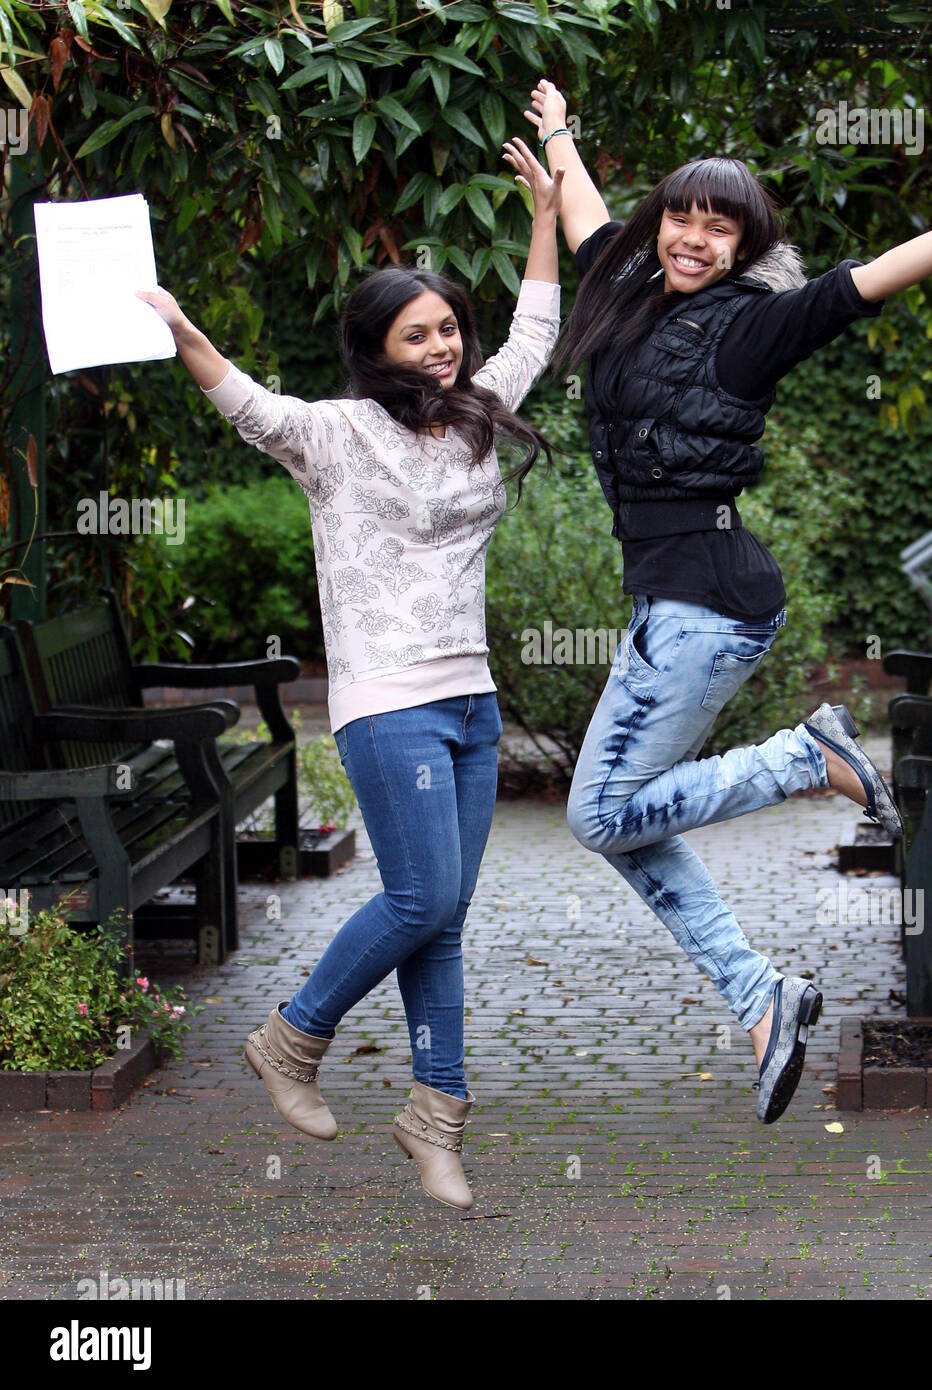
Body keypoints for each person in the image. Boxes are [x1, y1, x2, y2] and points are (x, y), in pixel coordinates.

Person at [525, 77, 932, 1126]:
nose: (694, 236)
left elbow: (870, 279)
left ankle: (804, 757)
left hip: (707, 605)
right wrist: (558, 135)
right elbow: (589, 216)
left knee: (597, 814)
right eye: (682, 215)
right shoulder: (632, 293)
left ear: (743, 243)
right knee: (626, 823)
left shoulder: (752, 328)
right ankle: (758, 995)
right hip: (668, 604)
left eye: (719, 225)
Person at [137, 138, 565, 1210]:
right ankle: (292, 1037)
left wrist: (545, 212)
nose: (442, 346)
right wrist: (186, 332)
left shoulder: (475, 416)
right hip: (388, 702)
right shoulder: (332, 436)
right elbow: (246, 403)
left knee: (443, 912)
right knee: (420, 894)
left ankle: (435, 1116)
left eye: (448, 328)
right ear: (377, 347)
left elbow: (539, 331)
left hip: (470, 698)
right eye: (417, 333)